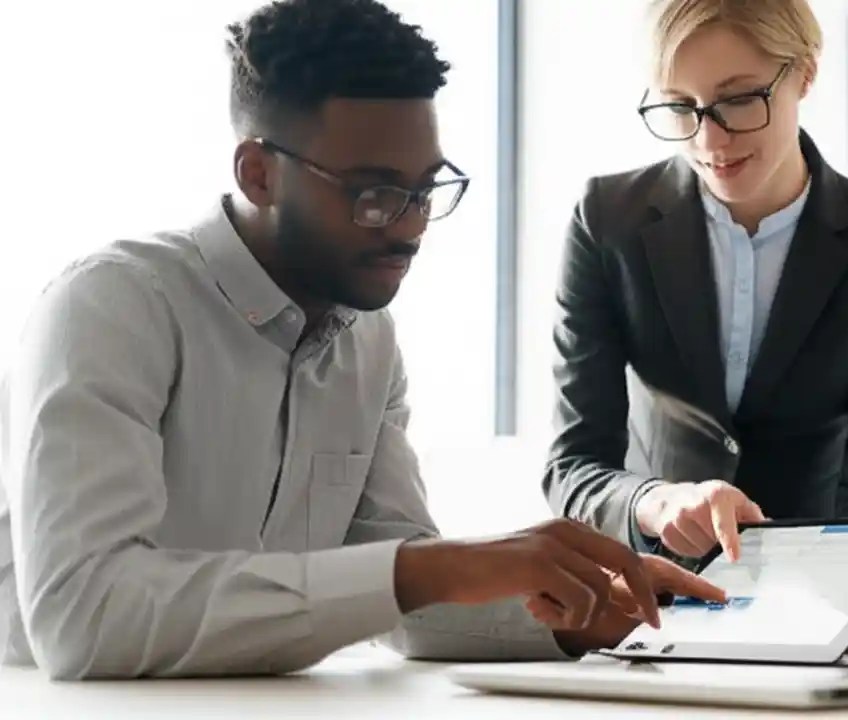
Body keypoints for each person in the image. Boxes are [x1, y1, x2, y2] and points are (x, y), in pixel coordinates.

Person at [0, 0, 730, 680]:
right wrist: (435, 567)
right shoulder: (112, 307)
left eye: (426, 188)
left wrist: (581, 615)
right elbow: (82, 617)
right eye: (373, 193)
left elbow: (402, 603)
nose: (410, 225)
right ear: (258, 173)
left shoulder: (368, 341)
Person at [542, 0, 848, 571]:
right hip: (647, 583)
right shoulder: (607, 224)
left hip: (810, 590)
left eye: (737, 99)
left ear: (805, 71)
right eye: (681, 107)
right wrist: (657, 503)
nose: (710, 140)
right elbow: (572, 466)